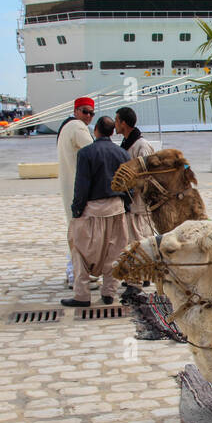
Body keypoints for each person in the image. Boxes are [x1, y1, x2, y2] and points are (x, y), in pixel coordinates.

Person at [63, 116, 134, 307]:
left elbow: (82, 185)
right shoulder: (122, 154)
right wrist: (126, 205)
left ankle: (82, 295)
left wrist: (76, 210)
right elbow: (130, 184)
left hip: (92, 209)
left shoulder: (86, 153)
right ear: (112, 132)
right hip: (117, 208)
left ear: (96, 132)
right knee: (115, 254)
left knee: (80, 250)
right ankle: (109, 292)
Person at [114, 106, 156, 242]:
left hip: (140, 208)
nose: (115, 124)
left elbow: (148, 176)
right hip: (130, 206)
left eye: (116, 121)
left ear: (123, 123)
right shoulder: (126, 144)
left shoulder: (142, 146)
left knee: (142, 243)